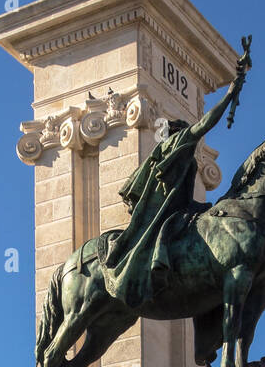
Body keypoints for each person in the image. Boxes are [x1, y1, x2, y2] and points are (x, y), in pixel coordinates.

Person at [98, 54, 251, 310]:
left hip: (177, 210)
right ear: (178, 132)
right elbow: (206, 122)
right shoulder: (179, 143)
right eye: (185, 128)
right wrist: (231, 92)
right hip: (169, 213)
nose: (190, 131)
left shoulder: (166, 149)